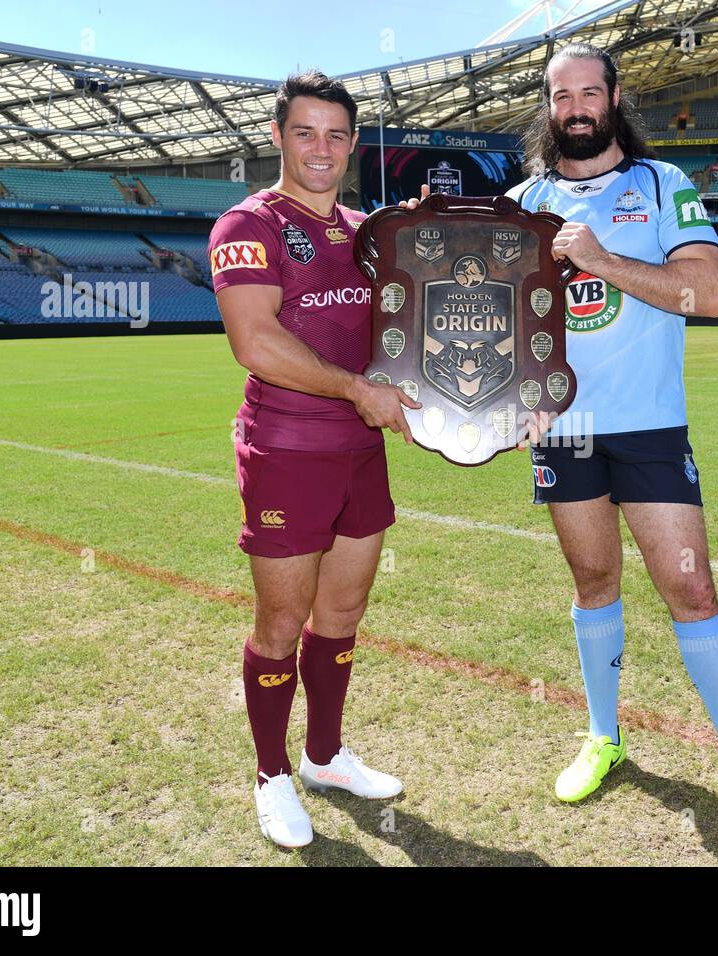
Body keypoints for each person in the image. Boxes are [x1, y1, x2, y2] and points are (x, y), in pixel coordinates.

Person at [504, 42, 718, 831]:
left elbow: (708, 293)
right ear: (550, 107)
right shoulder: (521, 201)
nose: (575, 106)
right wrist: (510, 395)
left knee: (691, 588)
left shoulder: (662, 184)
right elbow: (503, 325)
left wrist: (604, 260)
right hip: (563, 431)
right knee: (593, 583)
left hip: (647, 426)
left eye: (588, 92)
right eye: (560, 94)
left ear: (613, 98)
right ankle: (603, 738)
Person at [210, 70, 419, 849]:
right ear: (278, 137)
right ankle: (271, 775)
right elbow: (255, 341)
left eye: (336, 135)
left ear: (353, 145)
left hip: (361, 452)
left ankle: (325, 756)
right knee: (281, 620)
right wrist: (354, 390)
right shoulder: (248, 224)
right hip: (289, 451)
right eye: (305, 132)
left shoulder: (367, 233)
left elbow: (399, 338)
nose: (321, 149)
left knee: (341, 615)